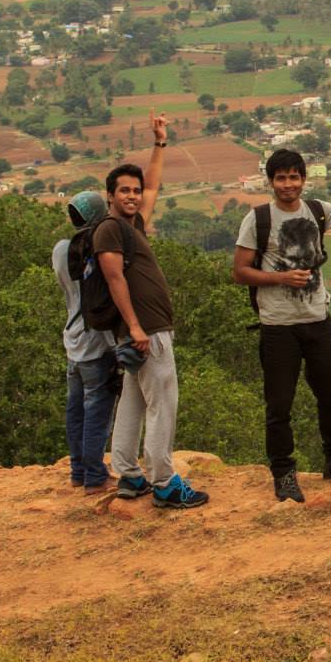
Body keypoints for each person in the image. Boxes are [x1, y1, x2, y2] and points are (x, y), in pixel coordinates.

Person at [232, 147, 331, 503]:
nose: (288, 184)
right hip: (277, 326)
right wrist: (281, 277)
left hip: (318, 321)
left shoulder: (317, 211)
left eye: (294, 177)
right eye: (281, 178)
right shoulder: (258, 219)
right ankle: (284, 473)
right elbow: (240, 272)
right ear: (271, 182)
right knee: (279, 406)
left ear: (303, 179)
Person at [98, 112, 209, 510]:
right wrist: (136, 327)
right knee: (163, 401)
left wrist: (159, 143)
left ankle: (129, 474)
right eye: (124, 191)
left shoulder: (132, 225)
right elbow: (115, 280)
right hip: (146, 330)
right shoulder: (110, 229)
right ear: (109, 195)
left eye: (134, 190)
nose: (132, 196)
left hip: (141, 331)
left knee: (134, 401)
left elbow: (154, 185)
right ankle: (164, 482)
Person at [56, 190, 121, 494]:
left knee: (76, 410)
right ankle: (95, 476)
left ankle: (78, 471)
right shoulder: (97, 251)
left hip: (73, 342)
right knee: (97, 411)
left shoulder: (61, 250)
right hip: (97, 344)